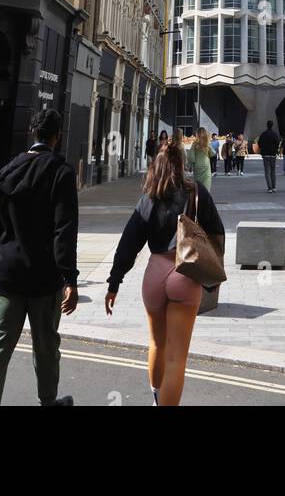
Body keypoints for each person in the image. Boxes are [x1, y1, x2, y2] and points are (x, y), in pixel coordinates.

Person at [105, 142, 224, 407]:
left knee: (157, 345)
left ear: (156, 165)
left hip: (154, 274)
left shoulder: (149, 197)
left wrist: (114, 282)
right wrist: (213, 277)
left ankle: (156, 399)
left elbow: (128, 243)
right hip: (185, 274)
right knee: (177, 357)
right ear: (182, 164)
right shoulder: (197, 193)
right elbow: (217, 233)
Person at [0, 107, 78, 407]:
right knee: (46, 347)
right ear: (57, 137)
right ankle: (48, 401)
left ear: (33, 134)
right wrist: (70, 278)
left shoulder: (7, 171)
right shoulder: (61, 173)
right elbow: (65, 231)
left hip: (7, 276)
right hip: (45, 279)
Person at [258, 119, 279, 192]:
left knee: (267, 171)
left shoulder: (263, 134)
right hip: (273, 154)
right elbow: (277, 143)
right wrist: (275, 150)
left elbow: (259, 143)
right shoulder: (275, 134)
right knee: (273, 171)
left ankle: (269, 187)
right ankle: (274, 187)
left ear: (267, 125)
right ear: (272, 125)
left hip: (266, 154)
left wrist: (262, 149)